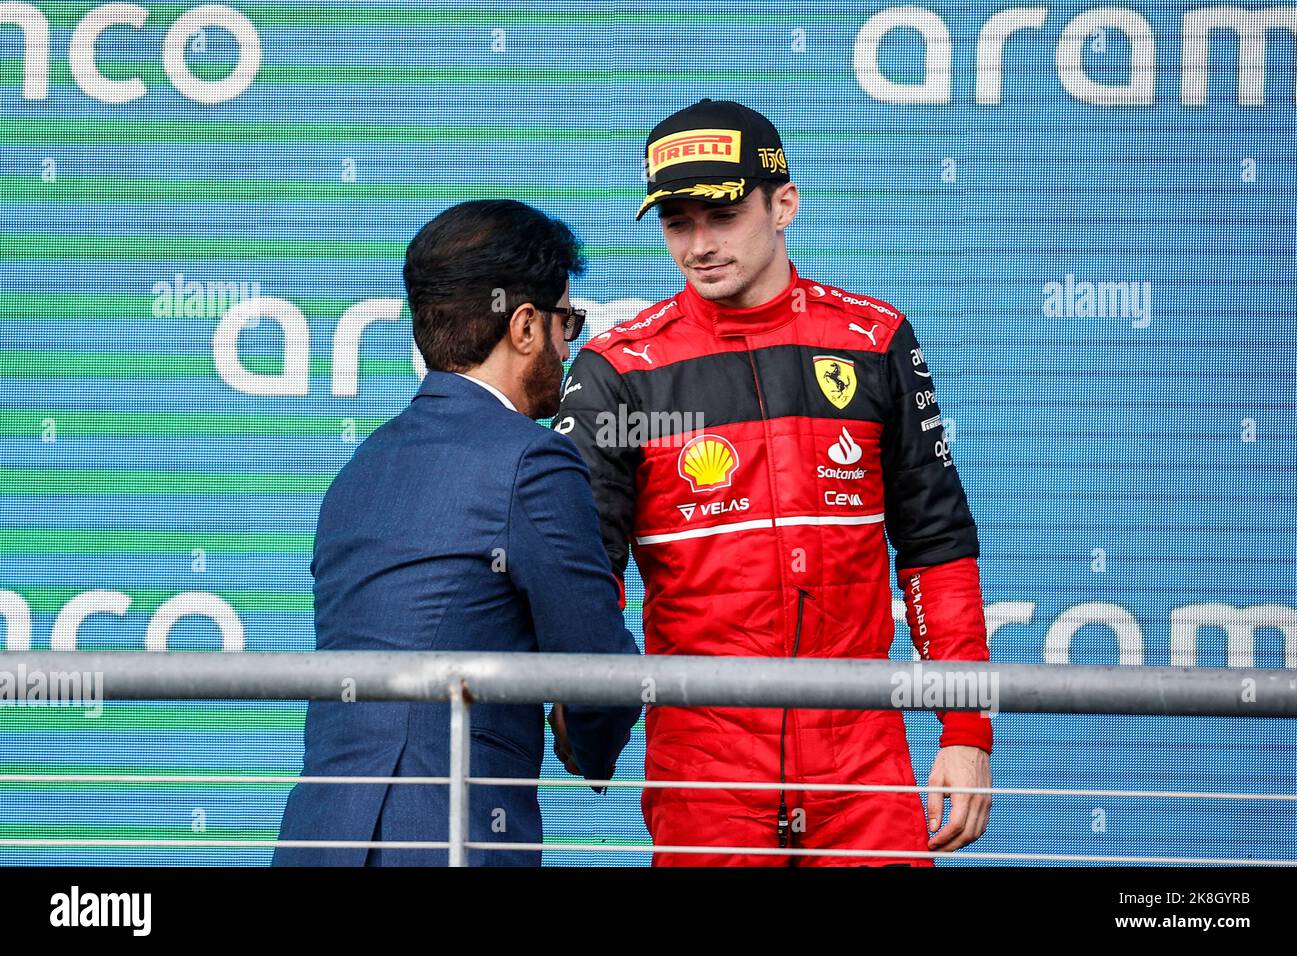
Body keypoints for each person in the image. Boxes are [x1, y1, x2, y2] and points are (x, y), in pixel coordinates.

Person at [553, 99, 992, 865]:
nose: (698, 245)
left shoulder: (874, 340)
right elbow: (588, 574)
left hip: (863, 760)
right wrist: (586, 720)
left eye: (720, 215)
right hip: (705, 763)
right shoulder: (620, 369)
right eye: (676, 221)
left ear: (784, 202)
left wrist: (965, 732)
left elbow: (935, 547)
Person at [274, 199, 642, 866]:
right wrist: (587, 740)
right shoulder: (531, 460)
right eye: (569, 322)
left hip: (318, 836)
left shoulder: (361, 468)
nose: (569, 348)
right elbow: (596, 666)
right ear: (525, 326)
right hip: (445, 837)